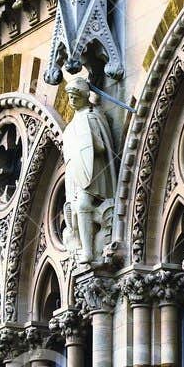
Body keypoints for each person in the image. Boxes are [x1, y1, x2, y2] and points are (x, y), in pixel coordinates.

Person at [61, 73, 116, 266]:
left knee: (84, 206)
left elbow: (101, 147)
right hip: (78, 174)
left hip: (95, 172)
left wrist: (90, 140)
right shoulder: (72, 125)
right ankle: (85, 248)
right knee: (75, 210)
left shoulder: (93, 117)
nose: (72, 100)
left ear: (84, 96)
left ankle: (88, 252)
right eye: (70, 97)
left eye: (75, 96)